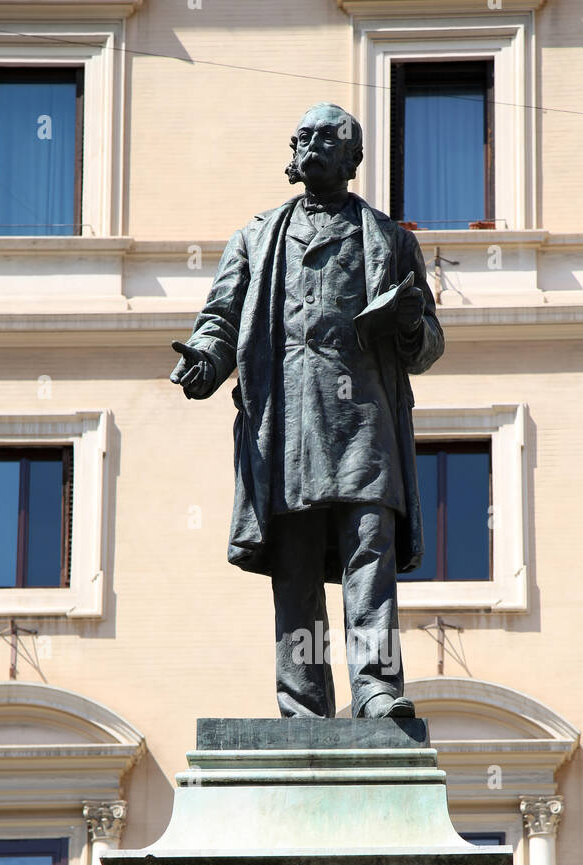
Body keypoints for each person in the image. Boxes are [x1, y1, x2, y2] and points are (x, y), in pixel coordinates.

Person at [170, 103, 444, 717]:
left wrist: (407, 321)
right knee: (293, 561)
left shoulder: (393, 242)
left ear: (354, 158)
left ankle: (375, 687)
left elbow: (427, 345)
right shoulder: (256, 237)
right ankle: (302, 701)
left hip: (365, 423)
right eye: (305, 137)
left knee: (368, 549)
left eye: (330, 137)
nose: (314, 145)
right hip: (286, 423)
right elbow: (220, 318)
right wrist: (207, 362)